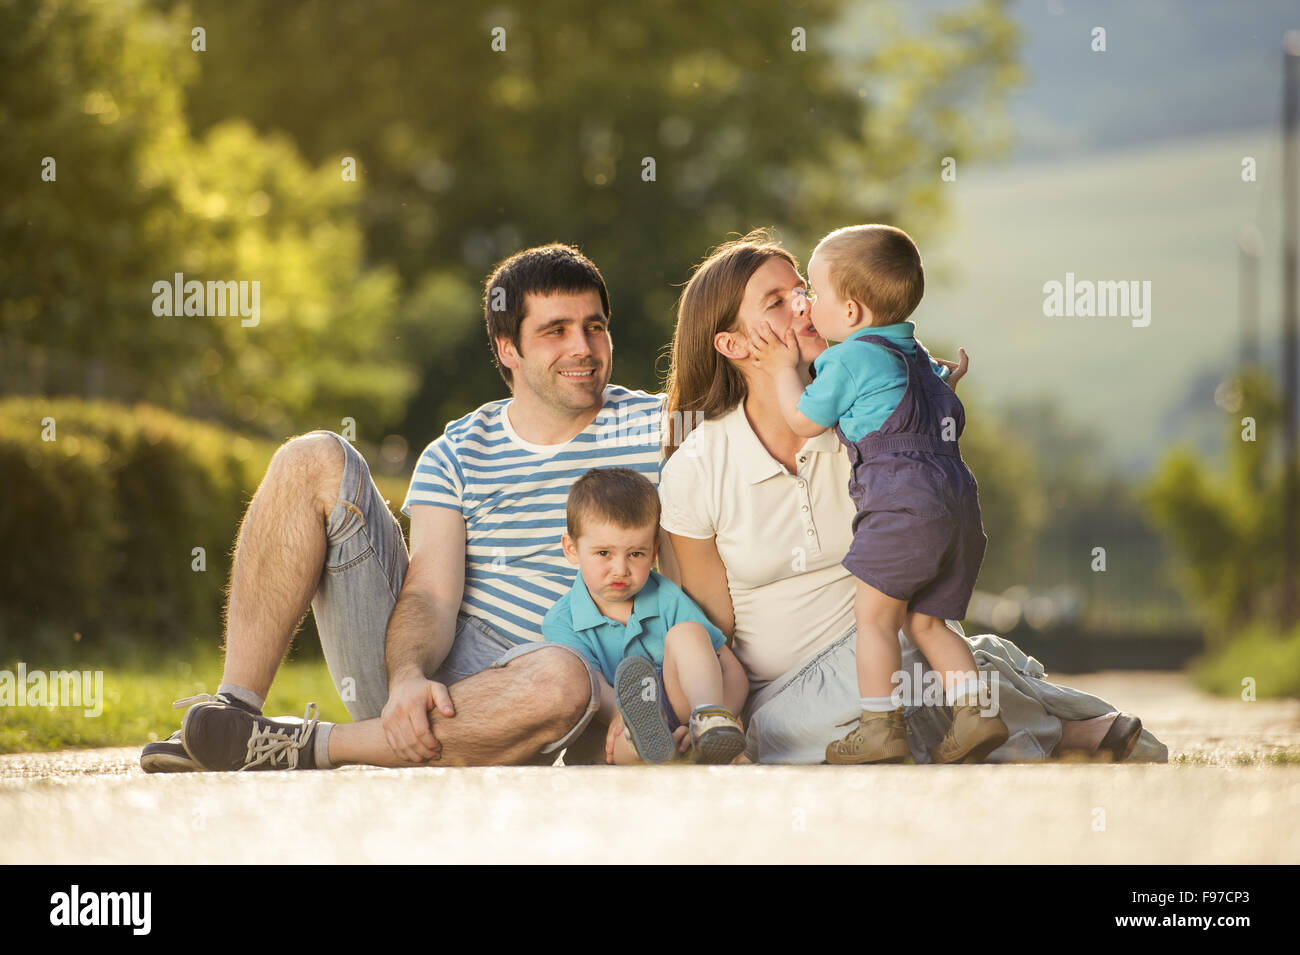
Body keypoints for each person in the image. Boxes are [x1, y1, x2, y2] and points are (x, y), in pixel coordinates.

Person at [141, 243, 667, 772]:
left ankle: (299, 746)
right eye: (556, 331)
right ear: (509, 348)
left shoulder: (662, 427)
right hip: (428, 686)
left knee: (563, 675)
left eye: (595, 327)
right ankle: (232, 716)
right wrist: (409, 678)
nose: (583, 347)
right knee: (311, 456)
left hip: (558, 688)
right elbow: (432, 596)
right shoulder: (458, 452)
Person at [657, 229, 1165, 766]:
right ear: (733, 345)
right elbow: (714, 624)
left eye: (803, 289)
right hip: (792, 687)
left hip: (887, 654)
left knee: (912, 658)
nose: (803, 305)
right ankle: (1058, 730)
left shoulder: (864, 424)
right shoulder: (699, 465)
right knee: (810, 721)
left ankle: (999, 711)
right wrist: (708, 710)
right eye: (777, 302)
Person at [745, 224, 1006, 766]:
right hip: (958, 509)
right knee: (929, 623)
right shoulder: (916, 357)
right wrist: (949, 381)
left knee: (876, 622)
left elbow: (802, 420)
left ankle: (879, 729)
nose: (807, 304)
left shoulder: (848, 359)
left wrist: (778, 369)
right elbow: (930, 406)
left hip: (902, 508)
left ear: (853, 313)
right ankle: (976, 713)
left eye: (814, 293)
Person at [542, 467, 747, 765]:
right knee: (620, 733)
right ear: (571, 549)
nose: (620, 569)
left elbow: (732, 671)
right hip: (620, 723)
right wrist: (625, 719)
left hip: (682, 712)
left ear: (653, 552)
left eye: (635, 554)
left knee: (686, 633)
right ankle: (654, 744)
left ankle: (709, 722)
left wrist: (721, 714)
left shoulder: (666, 597)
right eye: (603, 554)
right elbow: (593, 692)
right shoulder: (562, 621)